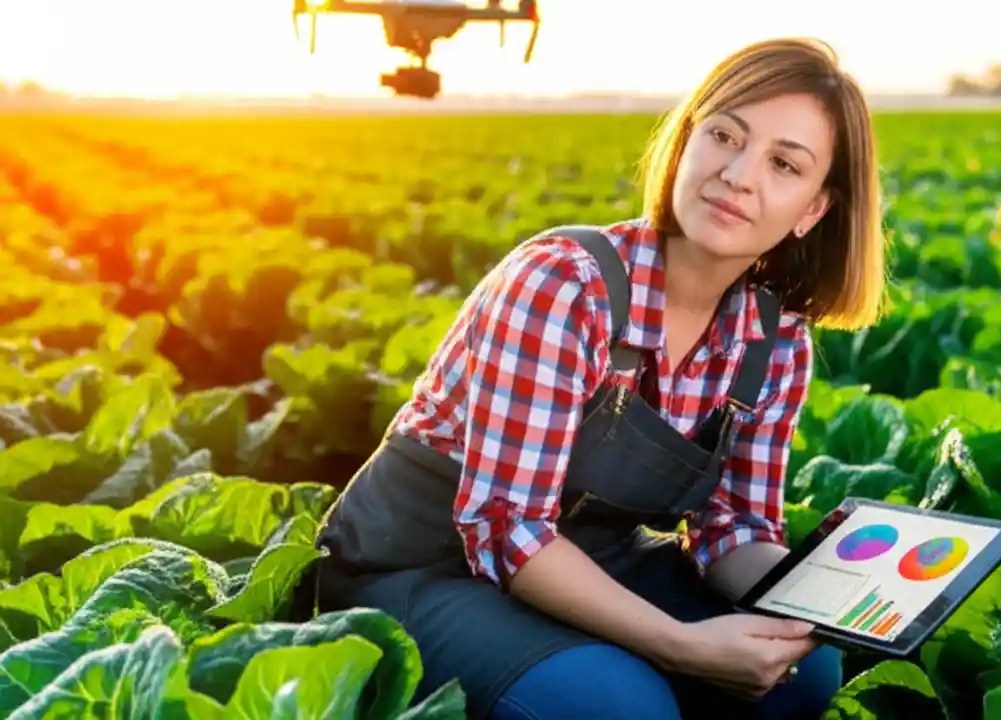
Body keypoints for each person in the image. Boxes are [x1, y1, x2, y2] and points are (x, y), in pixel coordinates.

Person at [299, 35, 890, 720]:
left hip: (592, 558)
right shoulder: (565, 283)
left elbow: (733, 526)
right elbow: (506, 527)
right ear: (687, 138)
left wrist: (820, 599)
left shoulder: (775, 340)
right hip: (424, 565)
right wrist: (683, 646)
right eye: (725, 136)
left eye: (785, 164)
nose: (738, 174)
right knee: (616, 706)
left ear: (814, 209)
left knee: (808, 669)